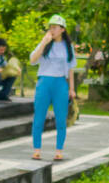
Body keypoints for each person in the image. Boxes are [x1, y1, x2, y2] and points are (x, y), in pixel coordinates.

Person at [29, 13, 77, 160]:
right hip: (44, 82)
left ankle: (59, 150)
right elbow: (32, 60)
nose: (52, 30)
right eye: (50, 27)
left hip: (60, 84)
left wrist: (72, 89)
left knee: (61, 119)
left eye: (55, 27)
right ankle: (37, 149)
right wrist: (44, 42)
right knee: (39, 118)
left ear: (62, 29)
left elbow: (70, 69)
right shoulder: (45, 44)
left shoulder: (68, 47)